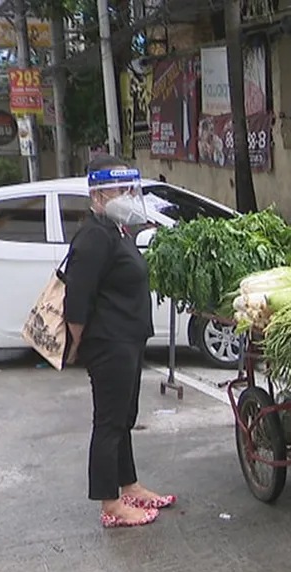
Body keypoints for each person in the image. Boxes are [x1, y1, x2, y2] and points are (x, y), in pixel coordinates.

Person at [64, 157, 175, 529]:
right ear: (97, 194)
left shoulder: (117, 231)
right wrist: (78, 344)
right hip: (108, 343)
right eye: (119, 190)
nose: (127, 197)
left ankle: (130, 485)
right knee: (109, 422)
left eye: (131, 189)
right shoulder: (94, 235)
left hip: (128, 339)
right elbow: (77, 299)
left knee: (125, 418)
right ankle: (110, 503)